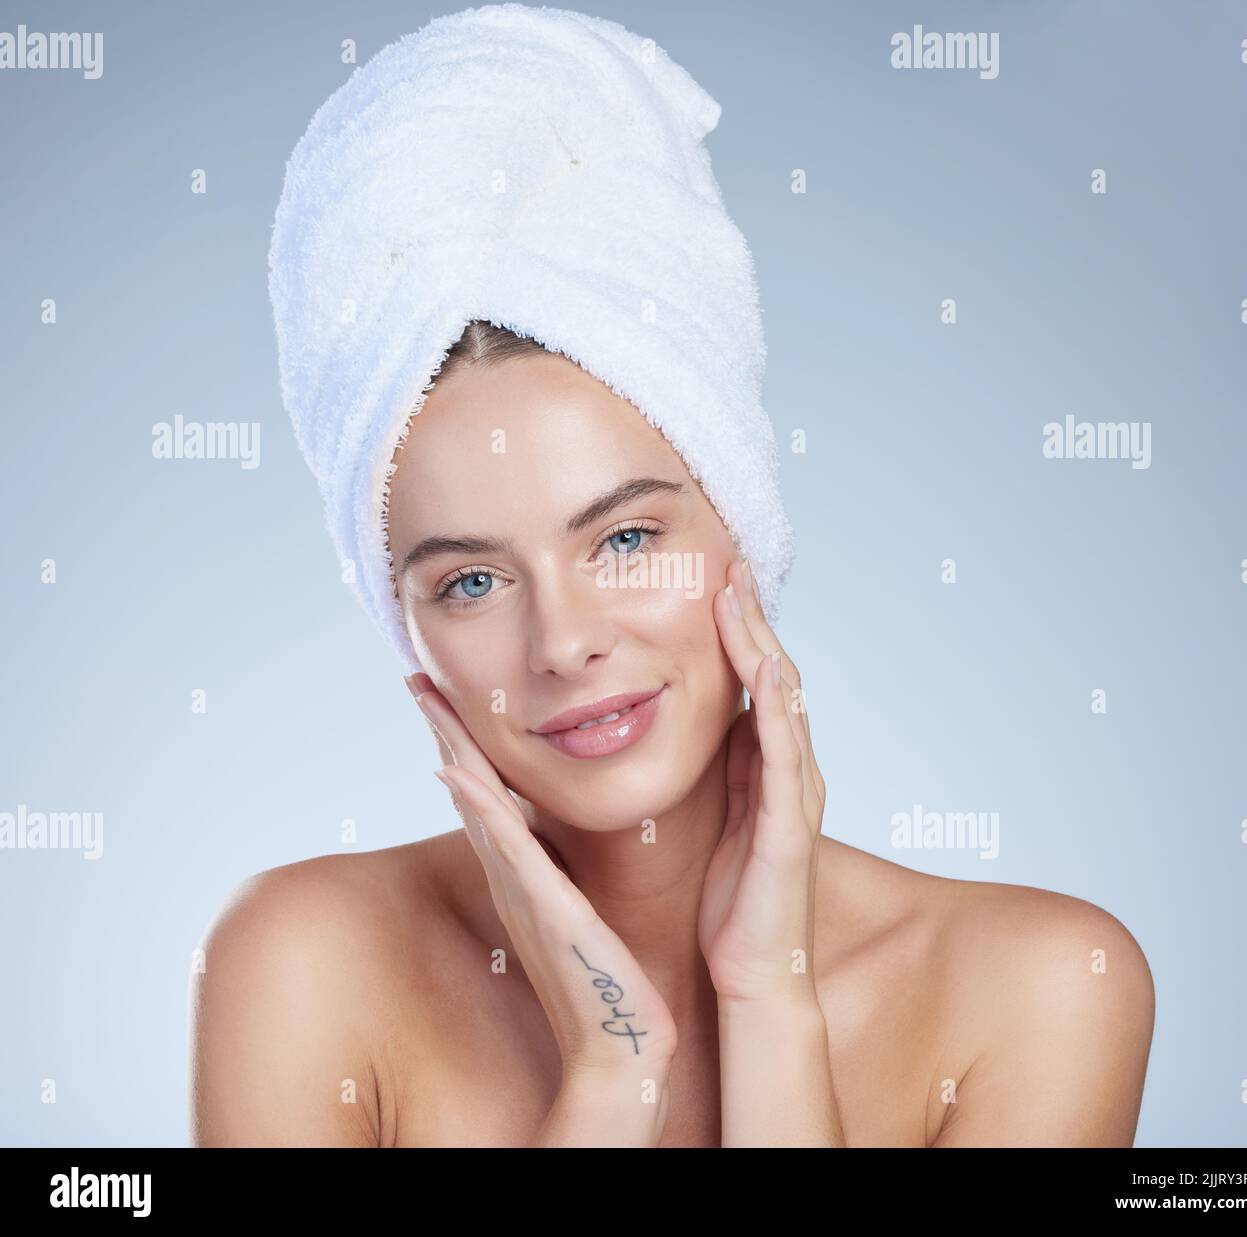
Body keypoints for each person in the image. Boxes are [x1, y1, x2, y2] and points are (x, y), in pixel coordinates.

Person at [189, 7, 1154, 1147]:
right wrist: (609, 1072)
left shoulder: (1040, 986)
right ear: (407, 632)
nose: (563, 642)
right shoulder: (304, 961)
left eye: (625, 540)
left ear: (743, 525)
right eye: (471, 584)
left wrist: (769, 1006)